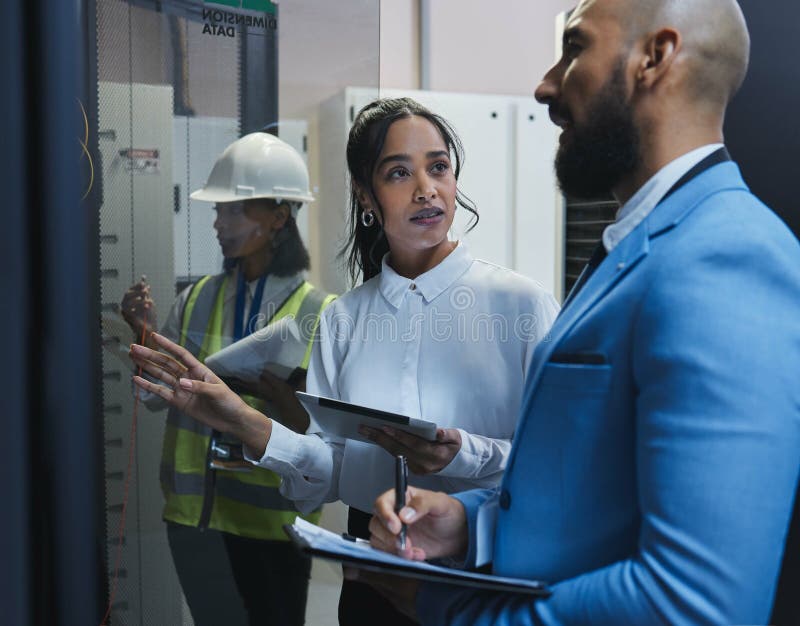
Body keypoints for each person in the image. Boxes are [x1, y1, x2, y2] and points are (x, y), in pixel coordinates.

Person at [363, 1, 800, 624]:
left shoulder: (726, 256)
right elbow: (600, 489)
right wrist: (475, 525)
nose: (546, 85)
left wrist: (465, 615)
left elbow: (697, 604)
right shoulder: (638, 245)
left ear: (655, 57)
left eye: (575, 48)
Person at [127, 98, 560, 624]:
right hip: (372, 575)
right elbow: (329, 468)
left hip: (487, 573)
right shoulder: (343, 319)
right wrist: (240, 418)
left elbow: (559, 465)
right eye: (399, 172)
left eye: (438, 166)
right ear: (366, 197)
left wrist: (463, 455)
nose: (426, 188)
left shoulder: (521, 305)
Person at [121, 132, 335, 626]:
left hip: (275, 529)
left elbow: (326, 440)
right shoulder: (194, 298)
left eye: (234, 210)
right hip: (194, 522)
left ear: (279, 217)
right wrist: (145, 337)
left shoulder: (321, 314)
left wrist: (282, 397)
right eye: (218, 210)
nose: (218, 223)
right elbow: (153, 400)